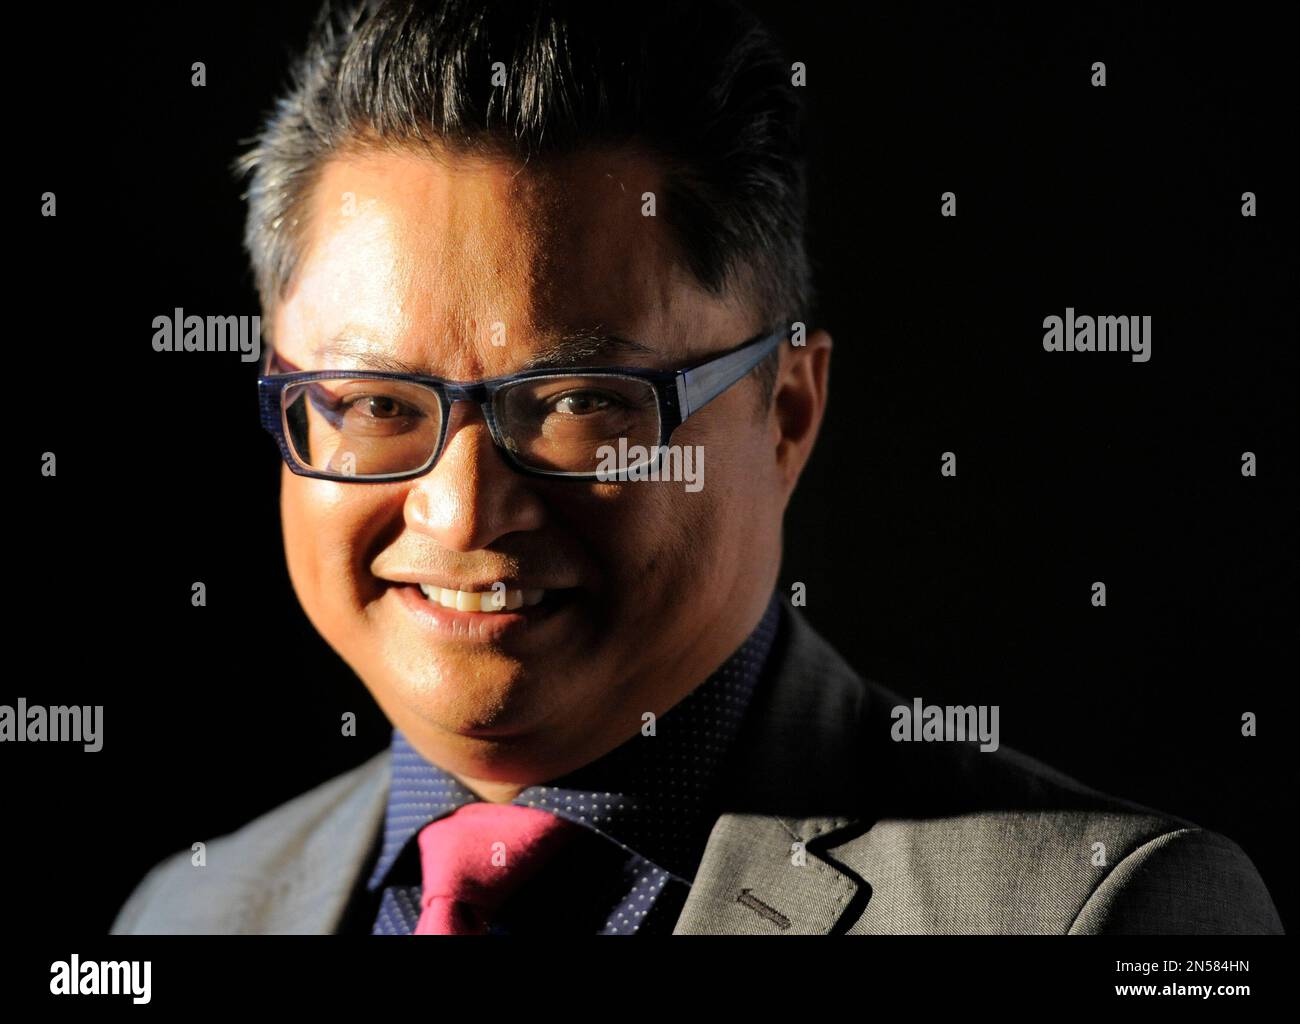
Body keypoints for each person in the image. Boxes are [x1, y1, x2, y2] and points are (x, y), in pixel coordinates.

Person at [111, 0, 1282, 935]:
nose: (462, 508)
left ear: (784, 410)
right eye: (370, 403)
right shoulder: (188, 914)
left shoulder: (1104, 915)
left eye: (576, 402)